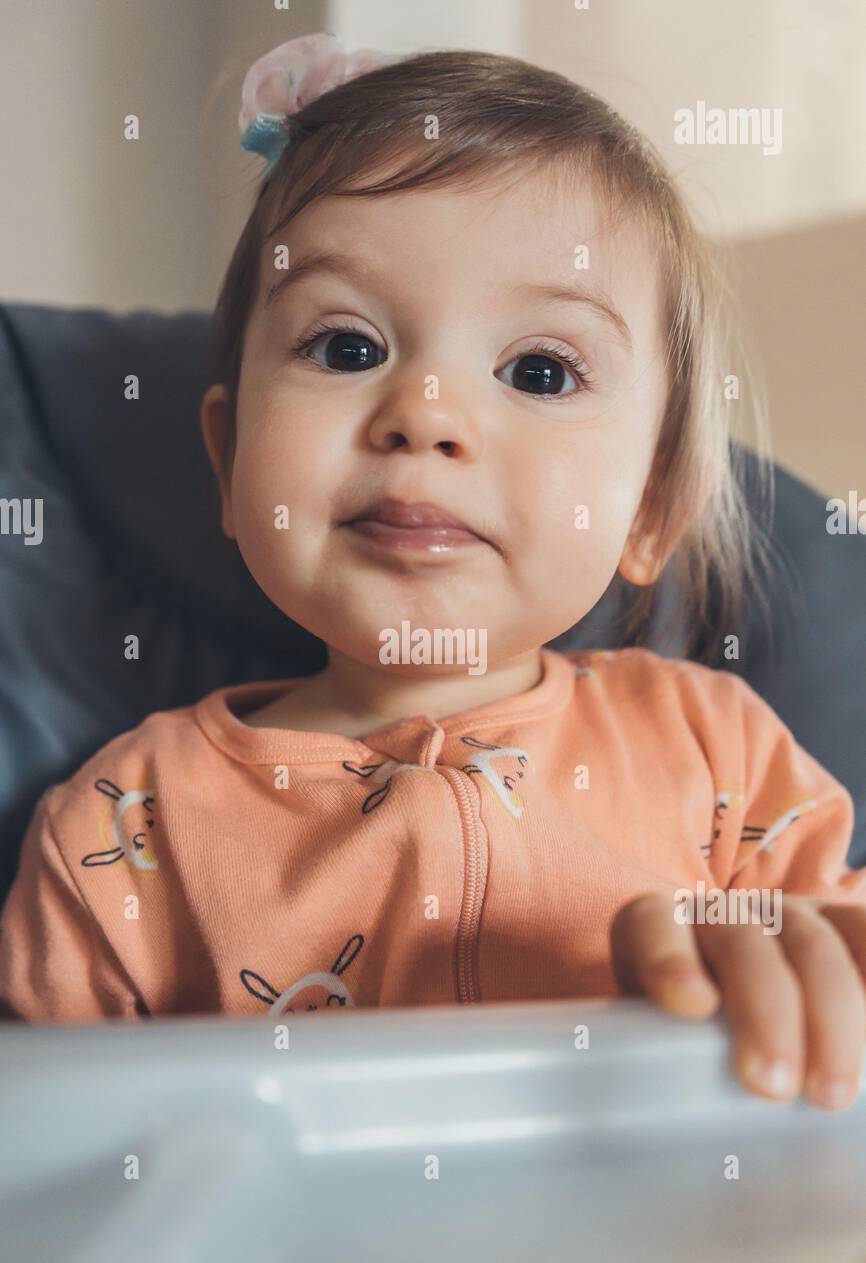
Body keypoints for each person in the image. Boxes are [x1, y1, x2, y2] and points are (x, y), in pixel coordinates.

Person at [2, 34, 864, 1112]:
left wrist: (771, 970)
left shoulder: (718, 753)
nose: (425, 414)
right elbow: (58, 1179)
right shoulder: (124, 827)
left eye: (537, 370)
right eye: (347, 348)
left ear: (647, 509)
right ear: (228, 464)